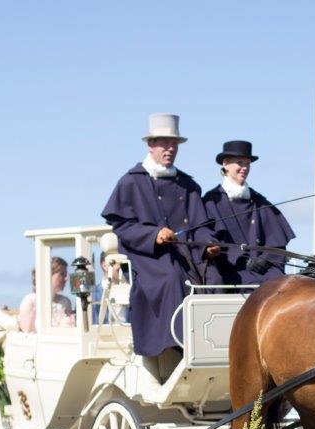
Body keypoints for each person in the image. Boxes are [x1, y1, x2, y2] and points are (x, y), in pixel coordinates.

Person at [101, 113, 220, 367]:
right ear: (150, 145)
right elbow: (122, 225)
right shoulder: (131, 182)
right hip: (148, 257)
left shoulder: (187, 185)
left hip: (187, 256)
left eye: (174, 144)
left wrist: (208, 245)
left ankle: (216, 347)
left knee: (216, 277)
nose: (170, 149)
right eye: (165, 143)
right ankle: (174, 349)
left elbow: (200, 226)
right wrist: (154, 235)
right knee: (171, 278)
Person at [202, 140, 295, 286]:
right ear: (225, 164)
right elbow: (209, 242)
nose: (244, 168)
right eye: (240, 163)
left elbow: (277, 244)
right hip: (230, 271)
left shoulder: (259, 201)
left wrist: (265, 259)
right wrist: (241, 259)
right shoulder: (211, 201)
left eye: (247, 164)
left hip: (264, 272)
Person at [17, 257, 74, 332]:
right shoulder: (30, 301)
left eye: (66, 275)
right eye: (62, 274)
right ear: (48, 275)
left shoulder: (65, 301)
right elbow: (28, 334)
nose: (66, 278)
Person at [92, 250, 128, 324]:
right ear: (104, 265)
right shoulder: (92, 295)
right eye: (115, 261)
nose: (120, 265)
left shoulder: (131, 292)